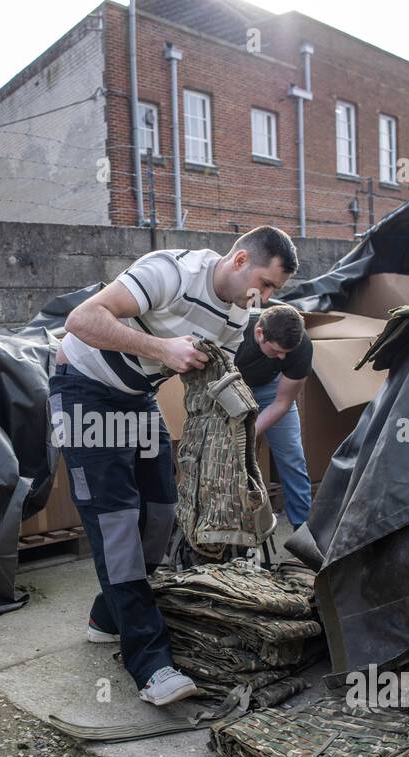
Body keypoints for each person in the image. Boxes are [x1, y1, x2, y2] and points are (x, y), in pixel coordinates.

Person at [50, 226, 298, 706]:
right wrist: (163, 349)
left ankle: (108, 616)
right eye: (265, 284)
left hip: (137, 398)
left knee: (162, 512)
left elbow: (213, 379)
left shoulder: (239, 315)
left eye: (274, 291)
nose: (265, 298)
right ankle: (150, 664)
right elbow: (82, 319)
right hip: (83, 389)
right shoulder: (172, 272)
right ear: (240, 260)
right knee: (116, 523)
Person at [233, 303, 313, 529]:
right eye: (276, 350)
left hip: (271, 390)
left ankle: (303, 532)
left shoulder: (301, 346)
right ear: (259, 333)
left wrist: (248, 434)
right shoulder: (235, 330)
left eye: (286, 352)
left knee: (292, 458)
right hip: (231, 388)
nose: (281, 357)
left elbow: (282, 403)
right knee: (226, 458)